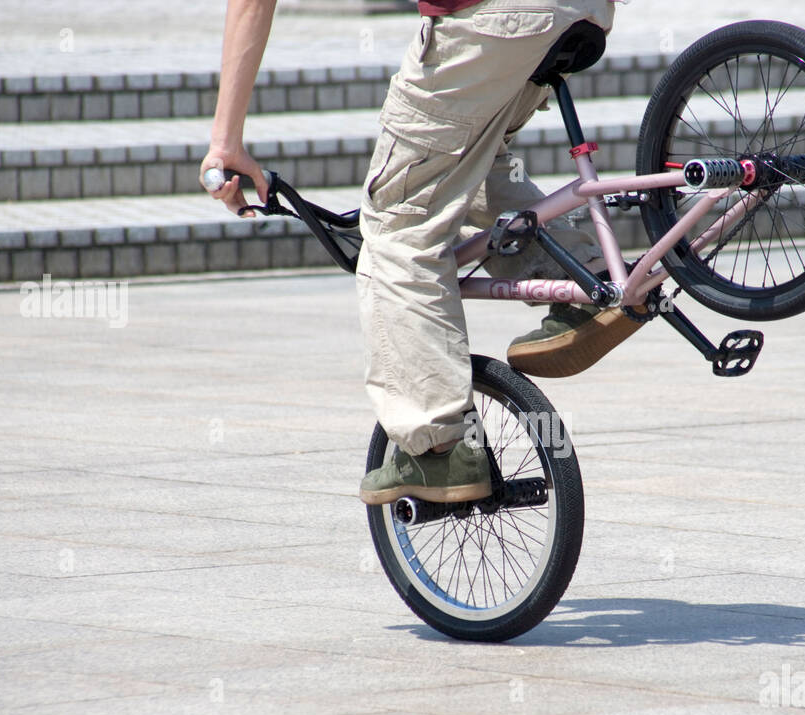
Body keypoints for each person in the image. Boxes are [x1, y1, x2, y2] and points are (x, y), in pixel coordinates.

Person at [202, 0, 634, 508]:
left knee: (396, 220)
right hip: (579, 10)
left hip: (494, 15)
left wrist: (225, 140)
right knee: (468, 167)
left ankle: (440, 448)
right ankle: (589, 281)